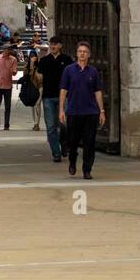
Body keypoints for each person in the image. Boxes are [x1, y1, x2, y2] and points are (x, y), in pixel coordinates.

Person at [59, 41, 105, 179]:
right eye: (80, 51)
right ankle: (72, 161)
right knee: (72, 142)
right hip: (73, 111)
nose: (82, 54)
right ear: (76, 53)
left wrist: (101, 111)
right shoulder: (69, 70)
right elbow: (63, 90)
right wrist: (61, 109)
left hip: (90, 112)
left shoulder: (93, 72)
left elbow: (98, 92)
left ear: (89, 55)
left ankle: (87, 169)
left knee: (89, 142)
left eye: (85, 51)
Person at [36, 38, 70, 162]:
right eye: (51, 44)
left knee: (64, 124)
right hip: (48, 97)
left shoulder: (66, 60)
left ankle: (64, 142)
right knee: (50, 126)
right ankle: (56, 152)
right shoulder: (44, 61)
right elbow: (39, 77)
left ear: (60, 45)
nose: (53, 46)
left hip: (63, 96)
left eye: (55, 44)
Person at [0, 43, 19, 131]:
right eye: (8, 49)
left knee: (7, 106)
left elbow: (14, 72)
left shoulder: (13, 59)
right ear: (4, 49)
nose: (9, 51)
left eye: (10, 49)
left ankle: (6, 125)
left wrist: (13, 72)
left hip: (8, 86)